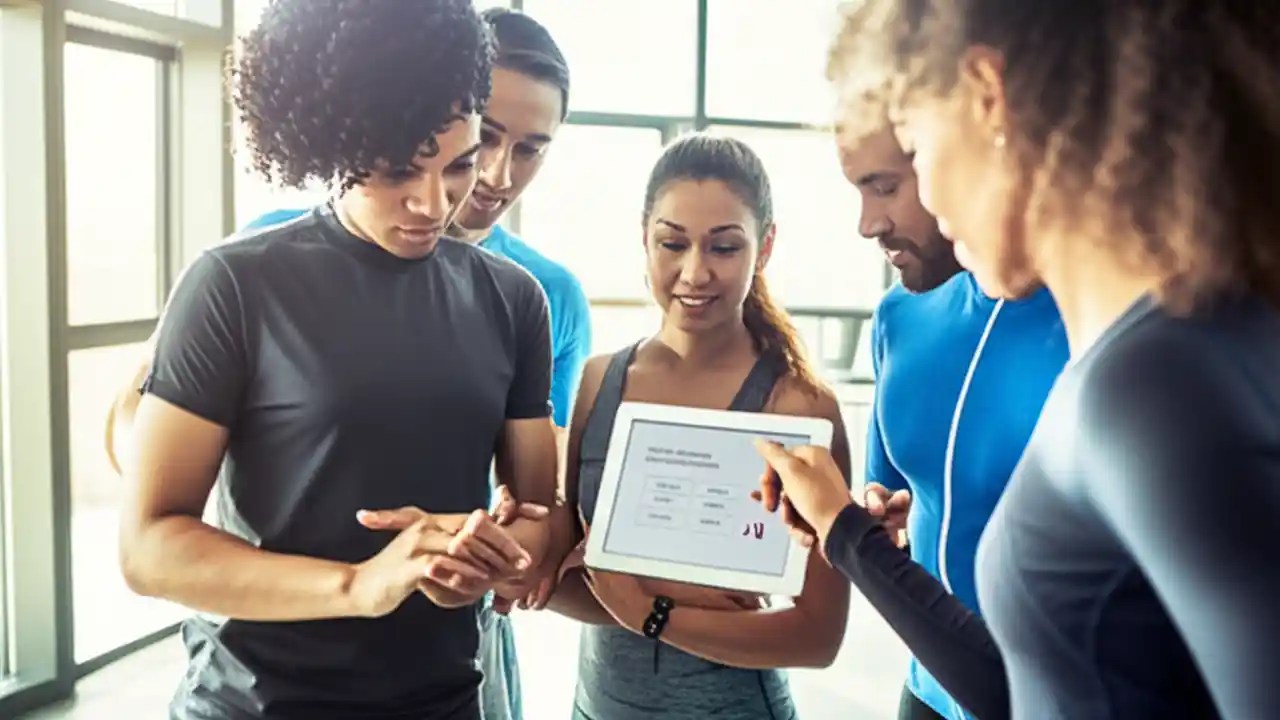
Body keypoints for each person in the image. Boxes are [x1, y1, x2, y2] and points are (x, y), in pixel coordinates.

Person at [757, 1, 1280, 718]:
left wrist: (845, 533)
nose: (928, 199)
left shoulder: (1150, 382)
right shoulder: (1167, 352)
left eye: (914, 143)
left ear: (986, 97)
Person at [115, 2, 561, 718]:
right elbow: (148, 547)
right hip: (255, 702)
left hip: (443, 700)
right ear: (329, 144)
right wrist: (361, 585)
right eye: (395, 171)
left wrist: (490, 558)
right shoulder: (235, 284)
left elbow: (537, 517)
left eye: (458, 165)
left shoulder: (514, 300)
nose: (432, 203)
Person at [543, 133, 853, 720]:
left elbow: (818, 636)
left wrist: (655, 614)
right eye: (672, 243)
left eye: (724, 247)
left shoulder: (799, 407)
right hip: (597, 707)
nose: (695, 272)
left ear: (764, 249)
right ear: (645, 239)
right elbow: (582, 583)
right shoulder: (598, 381)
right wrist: (516, 563)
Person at [839, 118, 1067, 720]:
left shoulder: (1090, 325)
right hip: (929, 689)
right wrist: (875, 512)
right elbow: (894, 493)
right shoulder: (896, 317)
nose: (868, 223)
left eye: (884, 188)